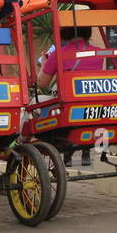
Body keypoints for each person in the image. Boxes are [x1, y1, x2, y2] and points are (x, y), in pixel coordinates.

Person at [36, 26, 104, 166]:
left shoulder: (59, 54)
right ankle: (85, 151)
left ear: (64, 33)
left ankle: (26, 140)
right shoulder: (100, 53)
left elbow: (42, 84)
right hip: (95, 105)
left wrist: (44, 64)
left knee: (35, 103)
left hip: (69, 106)